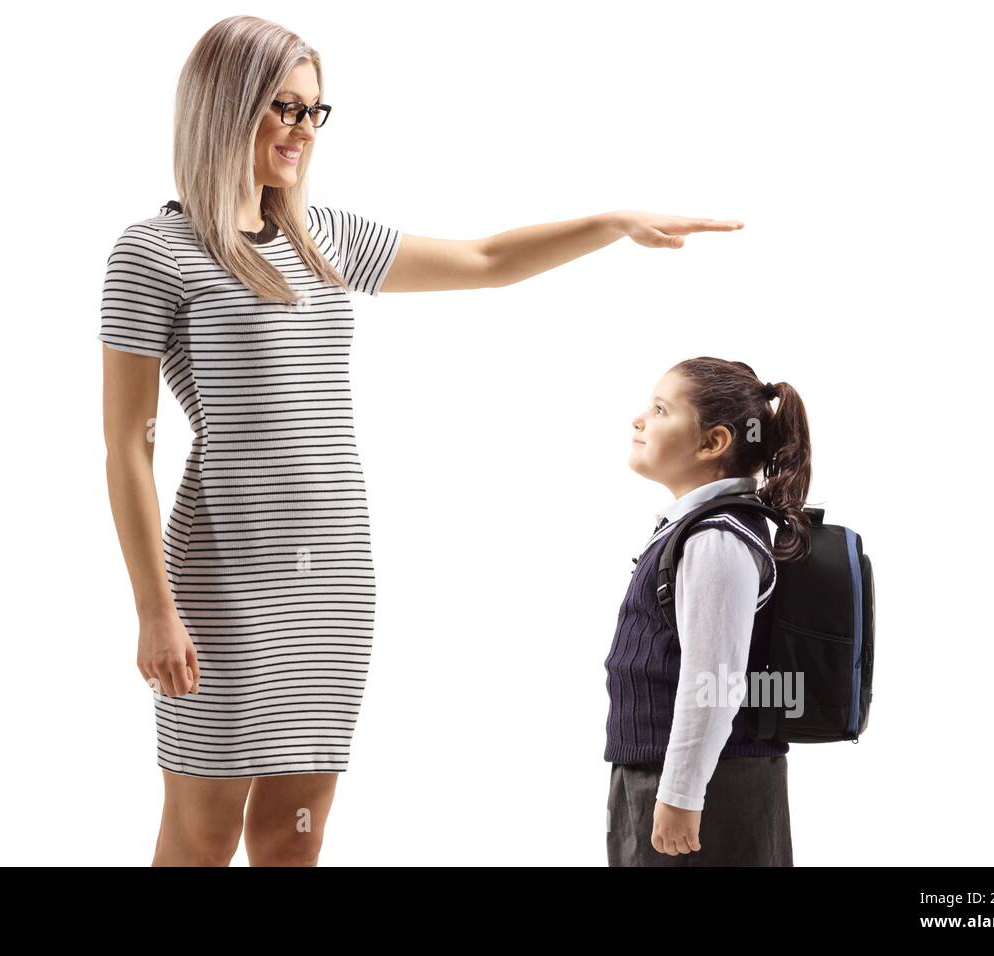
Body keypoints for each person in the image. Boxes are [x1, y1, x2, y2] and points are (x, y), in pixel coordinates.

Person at [100, 14, 747, 867]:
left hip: (333, 580)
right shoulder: (154, 253)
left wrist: (610, 223)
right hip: (222, 581)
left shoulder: (321, 238)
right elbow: (126, 447)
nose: (301, 130)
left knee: (296, 833)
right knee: (204, 831)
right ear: (224, 106)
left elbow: (483, 259)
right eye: (282, 107)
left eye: (313, 112)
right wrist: (155, 609)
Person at [604, 357, 813, 866]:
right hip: (678, 775)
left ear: (712, 443)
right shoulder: (698, 530)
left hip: (708, 786)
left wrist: (680, 793)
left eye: (659, 409)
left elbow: (714, 679)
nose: (639, 420)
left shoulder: (716, 540)